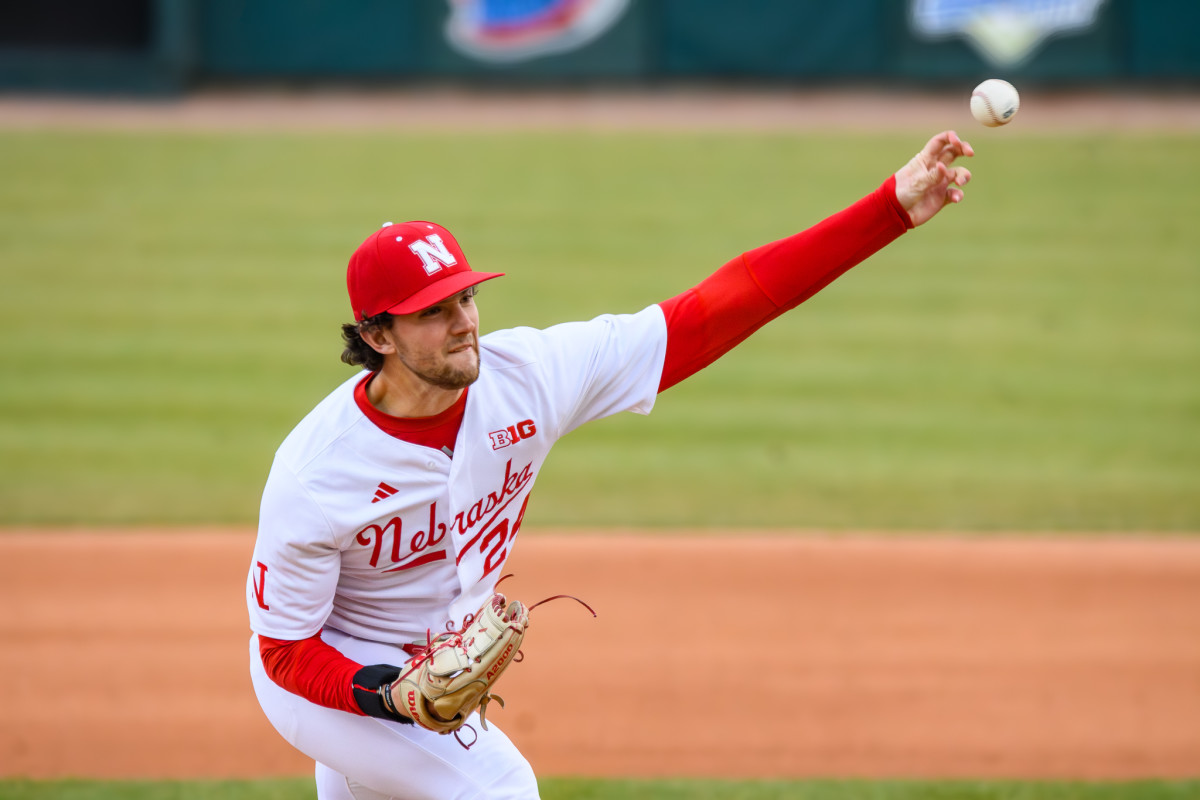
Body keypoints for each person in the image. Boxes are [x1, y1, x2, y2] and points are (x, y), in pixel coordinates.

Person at [246, 130, 974, 799]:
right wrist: (388, 694)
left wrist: (891, 210)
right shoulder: (318, 471)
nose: (465, 320)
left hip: (430, 662)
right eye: (434, 311)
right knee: (498, 787)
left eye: (465, 296)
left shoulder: (529, 376)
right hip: (330, 682)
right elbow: (285, 650)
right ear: (377, 334)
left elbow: (716, 308)